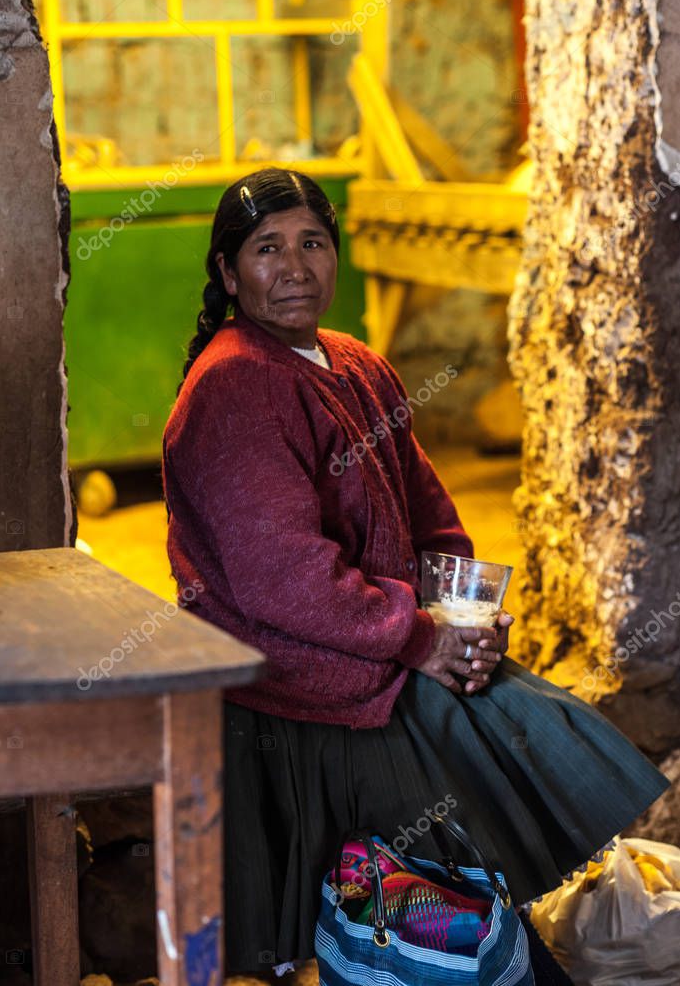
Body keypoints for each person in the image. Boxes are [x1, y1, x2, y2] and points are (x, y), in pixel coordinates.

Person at [162, 168, 668, 981]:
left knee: (508, 705)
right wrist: (419, 637)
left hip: (378, 644)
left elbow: (428, 507)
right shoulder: (232, 385)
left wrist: (464, 615)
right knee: (461, 775)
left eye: (312, 243)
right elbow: (285, 579)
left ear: (336, 256)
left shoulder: (353, 363)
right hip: (299, 683)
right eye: (266, 249)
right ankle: (451, 942)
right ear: (228, 274)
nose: (294, 266)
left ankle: (481, 938)